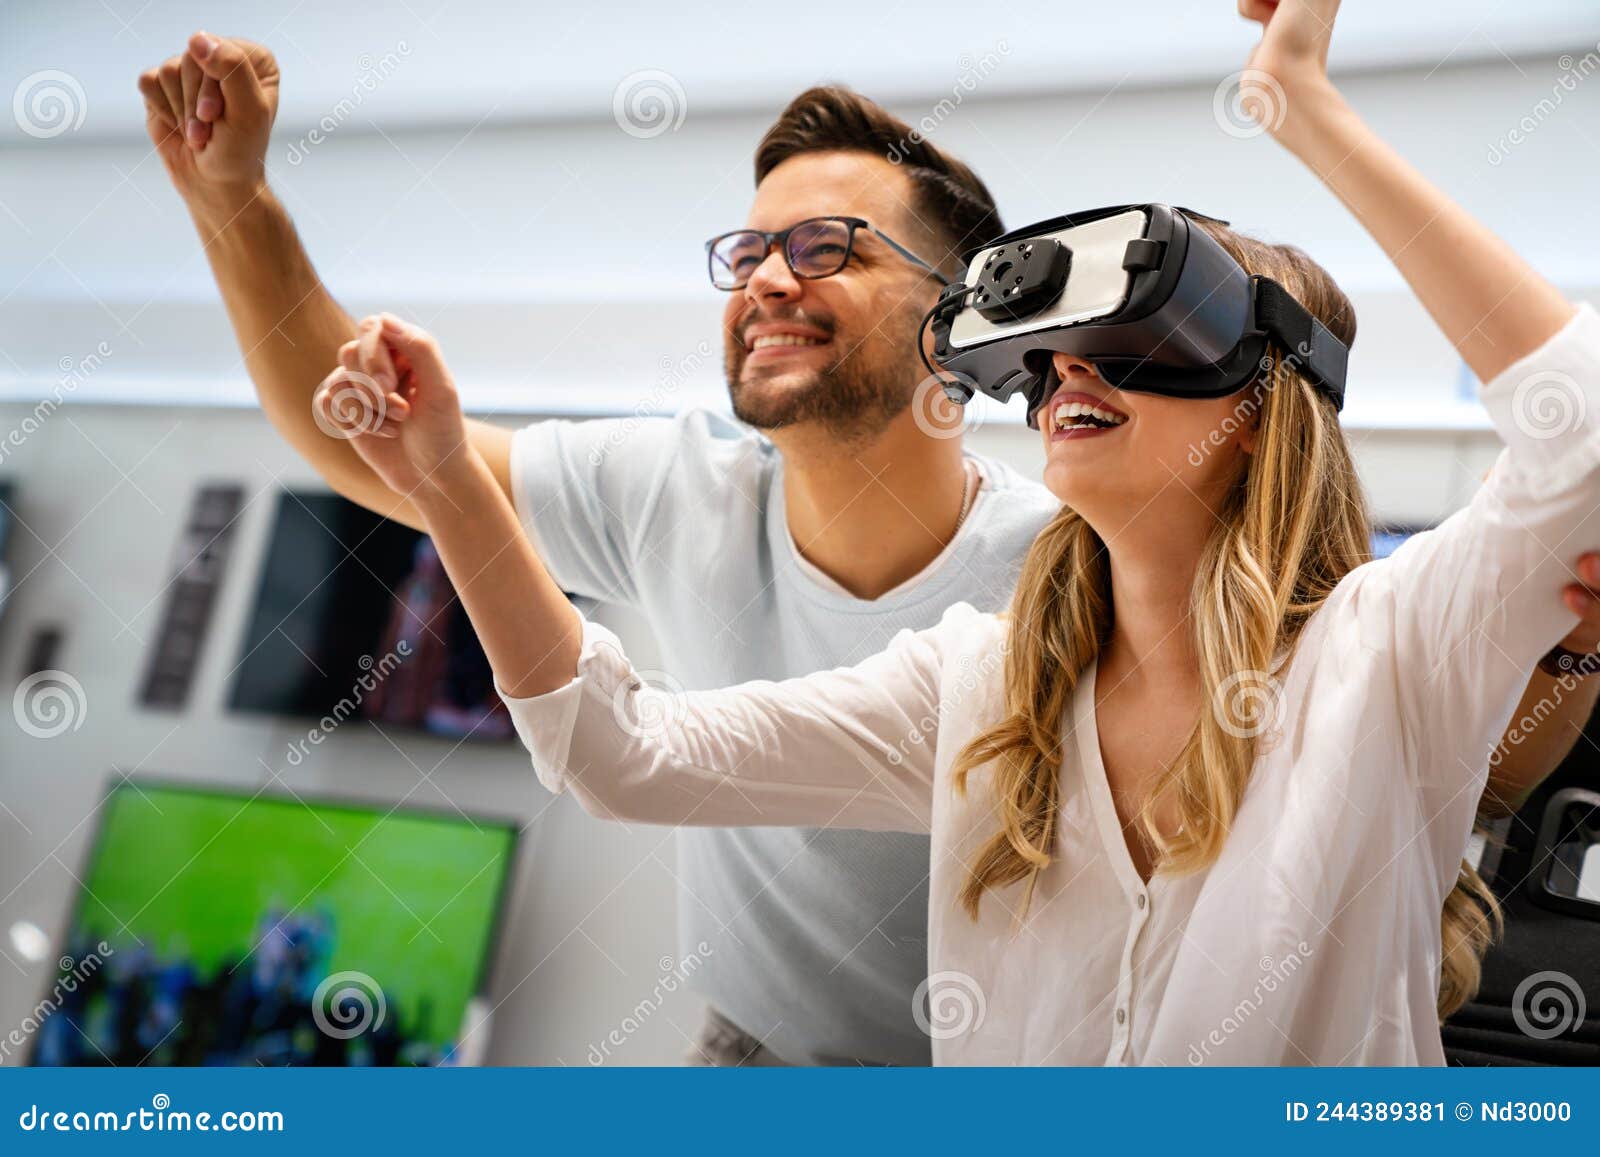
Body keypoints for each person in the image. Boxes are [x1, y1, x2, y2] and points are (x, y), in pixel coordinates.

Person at [138, 9, 1600, 1065]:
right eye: (750, 249)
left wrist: (1299, 110)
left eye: (828, 247)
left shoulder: (1260, 631)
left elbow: (1554, 486)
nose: (769, 277)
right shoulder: (957, 669)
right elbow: (613, 744)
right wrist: (256, 233)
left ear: (956, 330)